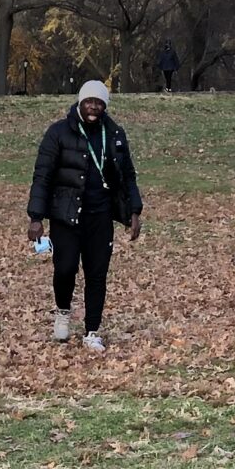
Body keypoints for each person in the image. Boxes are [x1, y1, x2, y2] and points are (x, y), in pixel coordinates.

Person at [27, 79, 143, 354]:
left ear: (105, 106)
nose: (93, 107)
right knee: (65, 268)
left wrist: (134, 212)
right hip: (66, 214)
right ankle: (63, 313)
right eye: (89, 102)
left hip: (100, 216)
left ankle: (92, 330)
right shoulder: (58, 133)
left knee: (97, 273)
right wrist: (36, 217)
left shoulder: (114, 134)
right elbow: (42, 175)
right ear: (80, 103)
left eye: (99, 103)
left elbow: (127, 175)